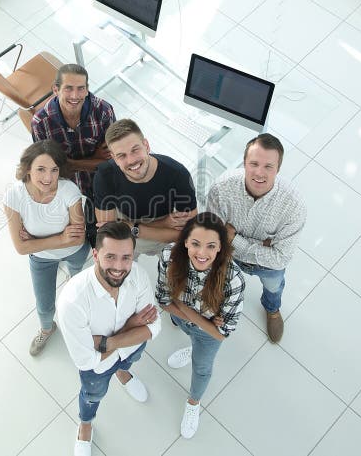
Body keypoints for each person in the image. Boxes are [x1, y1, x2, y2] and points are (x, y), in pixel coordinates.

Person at [57, 222, 161, 456]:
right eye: (110, 257)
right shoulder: (72, 302)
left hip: (128, 349)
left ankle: (122, 372)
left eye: (126, 258)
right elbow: (87, 361)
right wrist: (132, 326)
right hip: (98, 367)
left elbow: (154, 327)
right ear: (95, 255)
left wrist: (109, 341)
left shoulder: (137, 274)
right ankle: (85, 424)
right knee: (92, 396)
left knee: (128, 361)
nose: (119, 267)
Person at [206, 133, 306, 343]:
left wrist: (233, 238)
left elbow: (280, 258)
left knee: (274, 287)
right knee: (219, 281)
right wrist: (263, 245)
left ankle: (272, 308)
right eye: (254, 164)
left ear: (278, 168)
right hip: (227, 255)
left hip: (267, 267)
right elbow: (212, 236)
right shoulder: (221, 188)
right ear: (244, 163)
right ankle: (217, 304)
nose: (259, 173)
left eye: (268, 166)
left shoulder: (294, 205)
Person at [156, 212, 245, 439]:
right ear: (185, 241)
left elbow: (221, 333)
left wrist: (183, 307)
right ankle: (192, 347)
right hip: (184, 320)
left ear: (220, 248)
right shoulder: (169, 256)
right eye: (195, 243)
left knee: (202, 368)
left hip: (205, 334)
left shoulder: (233, 279)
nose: (202, 253)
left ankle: (194, 402)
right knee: (187, 331)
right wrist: (205, 320)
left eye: (210, 246)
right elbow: (163, 300)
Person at [3, 140, 89, 356]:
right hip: (41, 259)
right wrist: (61, 237)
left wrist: (34, 240)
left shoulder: (69, 190)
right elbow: (21, 248)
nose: (48, 178)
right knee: (44, 305)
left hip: (74, 252)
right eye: (40, 169)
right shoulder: (14, 196)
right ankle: (47, 328)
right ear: (28, 169)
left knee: (76, 277)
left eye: (54, 170)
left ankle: (72, 276)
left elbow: (78, 239)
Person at [30, 64, 116, 246]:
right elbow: (51, 170)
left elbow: (112, 162)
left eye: (81, 88)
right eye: (68, 88)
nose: (75, 96)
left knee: (103, 236)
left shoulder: (103, 111)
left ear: (87, 89)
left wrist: (70, 163)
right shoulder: (41, 123)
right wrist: (94, 158)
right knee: (69, 234)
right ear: (56, 89)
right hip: (64, 185)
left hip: (102, 181)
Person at [93, 118, 197, 257]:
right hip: (128, 239)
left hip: (162, 241)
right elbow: (111, 233)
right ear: (114, 158)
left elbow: (187, 234)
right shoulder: (105, 175)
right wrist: (162, 223)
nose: (131, 160)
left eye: (135, 150)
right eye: (121, 155)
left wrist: (130, 227)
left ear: (146, 146)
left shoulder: (178, 174)